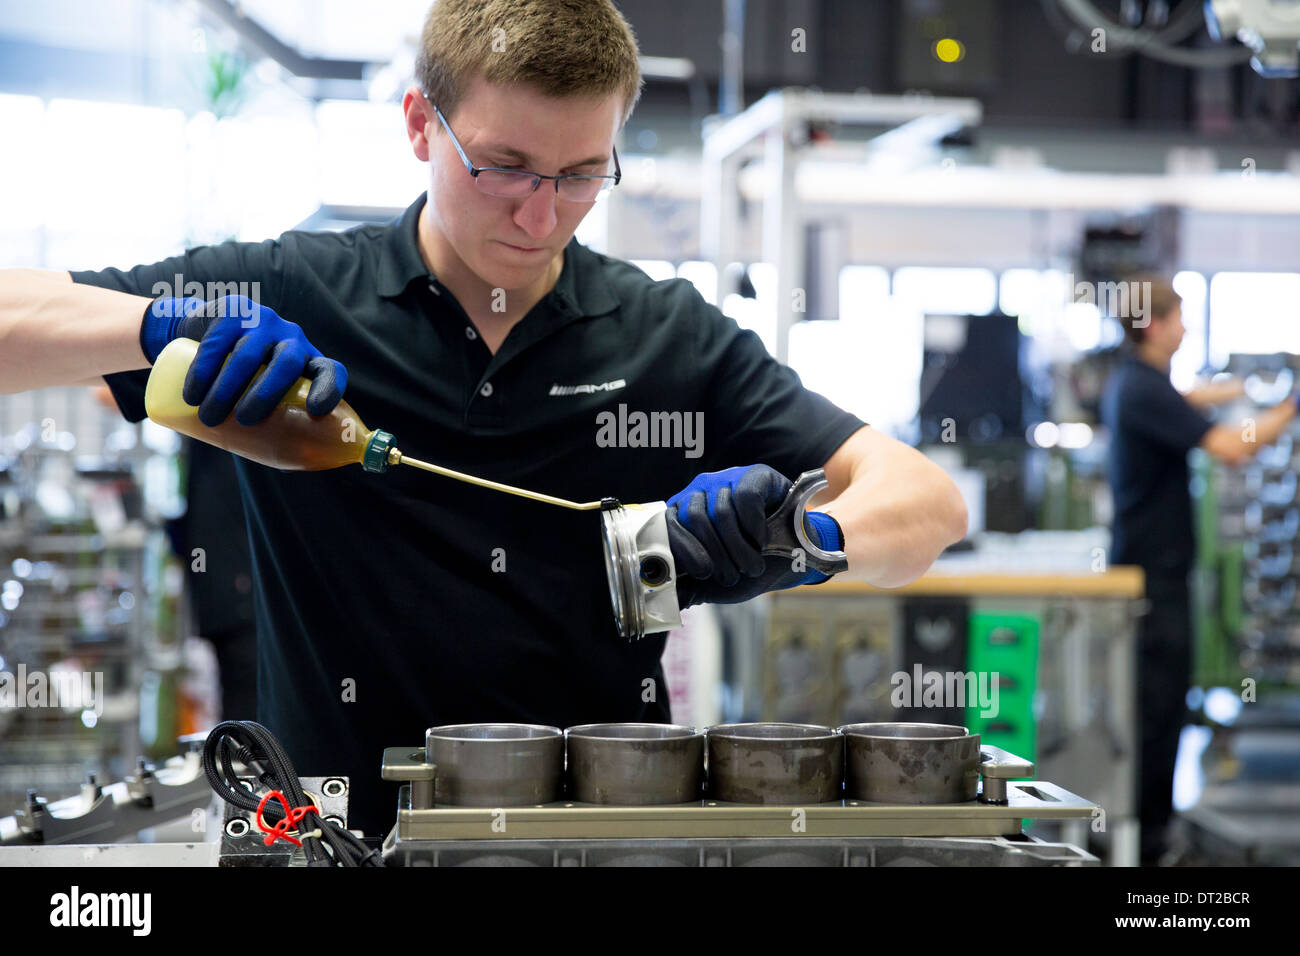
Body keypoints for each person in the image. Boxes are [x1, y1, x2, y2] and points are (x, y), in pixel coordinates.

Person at [0, 0, 966, 836]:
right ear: (421, 124)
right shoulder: (302, 289)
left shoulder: (667, 337)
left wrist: (809, 534)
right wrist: (162, 321)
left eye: (582, 173)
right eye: (504, 167)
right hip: (328, 835)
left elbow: (925, 503)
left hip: (592, 837)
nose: (541, 217)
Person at [1100, 274, 1296, 865]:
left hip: (1155, 576)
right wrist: (1291, 405)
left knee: (1160, 711)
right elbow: (1236, 447)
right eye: (1180, 317)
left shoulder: (1137, 384)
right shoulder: (1144, 390)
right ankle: (1154, 845)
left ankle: (1155, 829)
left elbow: (1188, 401)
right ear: (1155, 325)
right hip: (1153, 585)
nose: (1186, 328)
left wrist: (1244, 384)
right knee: (1159, 716)